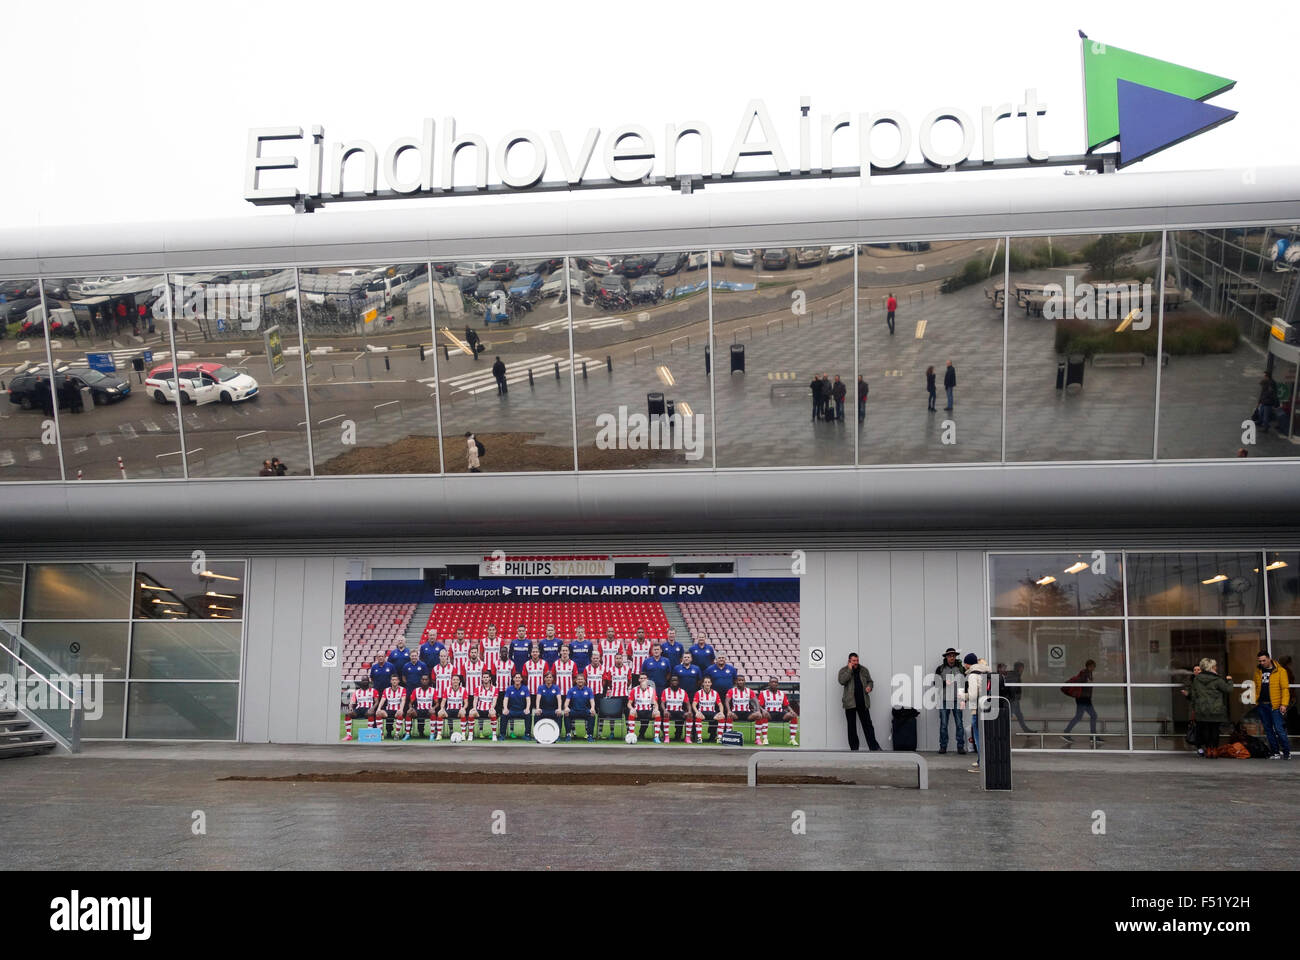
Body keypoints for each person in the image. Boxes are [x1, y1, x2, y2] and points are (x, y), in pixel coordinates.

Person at [1187, 658, 1232, 755]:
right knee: (1215, 730)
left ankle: (1208, 750)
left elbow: (1194, 696)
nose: (1216, 668)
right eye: (1215, 666)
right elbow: (1228, 689)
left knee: (1205, 730)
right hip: (1216, 709)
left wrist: (1195, 708)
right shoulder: (1217, 679)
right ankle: (1214, 750)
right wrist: (1230, 680)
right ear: (1211, 667)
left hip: (1201, 709)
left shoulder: (1196, 679)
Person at [837, 652, 881, 751]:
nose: (856, 662)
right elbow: (841, 681)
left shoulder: (864, 670)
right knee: (851, 728)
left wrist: (870, 686)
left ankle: (874, 747)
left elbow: (870, 681)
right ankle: (854, 749)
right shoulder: (844, 670)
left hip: (863, 702)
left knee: (868, 726)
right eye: (853, 661)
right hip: (850, 703)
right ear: (849, 661)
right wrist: (849, 669)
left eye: (857, 660)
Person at [1252, 650, 1291, 760]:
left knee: (1279, 729)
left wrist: (1284, 704)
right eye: (1260, 661)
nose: (1262, 663)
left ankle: (1287, 752)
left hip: (1275, 705)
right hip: (1262, 705)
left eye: (1264, 660)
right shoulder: (1258, 671)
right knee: (1268, 729)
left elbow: (1285, 689)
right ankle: (1275, 752)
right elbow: (1255, 686)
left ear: (1269, 659)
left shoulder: (1280, 671)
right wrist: (1255, 701)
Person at [961, 654, 991, 770]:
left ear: (968, 664)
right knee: (985, 736)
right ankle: (981, 761)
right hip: (987, 708)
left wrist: (963, 695)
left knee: (978, 737)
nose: (964, 665)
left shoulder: (973, 675)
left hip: (977, 709)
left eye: (965, 663)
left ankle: (982, 763)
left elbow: (973, 695)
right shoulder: (984, 673)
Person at [935, 648, 966, 754]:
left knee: (959, 724)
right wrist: (944, 683)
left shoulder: (961, 668)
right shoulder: (940, 669)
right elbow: (935, 683)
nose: (952, 657)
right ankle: (943, 746)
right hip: (944, 700)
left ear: (955, 657)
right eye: (950, 656)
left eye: (953, 655)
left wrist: (964, 699)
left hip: (958, 699)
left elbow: (965, 684)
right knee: (943, 724)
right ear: (946, 657)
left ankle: (960, 747)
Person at [1061, 659, 1098, 745]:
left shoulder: (1088, 673)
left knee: (1090, 716)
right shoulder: (1084, 673)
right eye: (1093, 666)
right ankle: (1066, 733)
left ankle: (1093, 736)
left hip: (1085, 698)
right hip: (1082, 698)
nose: (1094, 668)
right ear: (1089, 666)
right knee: (1087, 716)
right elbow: (1080, 681)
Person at [758, 677, 798, 746]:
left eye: (775, 682)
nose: (774, 683)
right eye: (772, 682)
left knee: (793, 715)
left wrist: (791, 711)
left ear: (778, 684)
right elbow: (759, 705)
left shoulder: (782, 693)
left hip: (780, 713)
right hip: (769, 714)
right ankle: (765, 738)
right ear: (769, 683)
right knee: (764, 714)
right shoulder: (763, 693)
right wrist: (763, 710)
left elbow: (786, 705)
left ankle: (792, 739)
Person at [601, 651, 632, 740]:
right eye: (617, 658)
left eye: (620, 658)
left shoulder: (627, 669)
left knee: (627, 714)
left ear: (623, 659)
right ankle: (612, 732)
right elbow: (609, 683)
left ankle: (629, 732)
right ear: (614, 659)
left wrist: (624, 688)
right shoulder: (611, 670)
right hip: (614, 696)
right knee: (613, 716)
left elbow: (629, 681)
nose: (618, 660)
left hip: (624, 696)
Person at [724, 674, 762, 741]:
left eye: (742, 680)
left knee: (758, 716)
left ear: (744, 681)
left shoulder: (749, 691)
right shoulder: (731, 690)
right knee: (729, 715)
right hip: (736, 713)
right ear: (736, 681)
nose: (740, 682)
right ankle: (729, 737)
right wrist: (729, 711)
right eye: (739, 680)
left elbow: (756, 701)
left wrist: (758, 710)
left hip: (747, 713)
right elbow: (727, 701)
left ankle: (758, 739)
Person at [563, 672, 597, 741]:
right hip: (574, 711)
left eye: (581, 679)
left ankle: (589, 735)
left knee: (592, 715)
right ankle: (568, 734)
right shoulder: (571, 690)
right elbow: (567, 702)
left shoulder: (589, 690)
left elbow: (592, 701)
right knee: (566, 714)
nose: (580, 681)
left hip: (584, 711)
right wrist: (566, 707)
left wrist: (592, 708)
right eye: (578, 679)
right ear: (576, 681)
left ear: (584, 681)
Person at [629, 674, 662, 742]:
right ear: (639, 680)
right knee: (631, 712)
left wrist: (656, 709)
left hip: (648, 711)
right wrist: (631, 708)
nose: (643, 679)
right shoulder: (634, 690)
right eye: (641, 678)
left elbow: (655, 703)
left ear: (647, 680)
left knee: (657, 713)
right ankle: (631, 735)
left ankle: (656, 737)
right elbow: (629, 703)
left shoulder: (652, 690)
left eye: (645, 678)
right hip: (638, 711)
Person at [1004, 660, 1035, 733]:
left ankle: (1026, 730)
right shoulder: (1015, 675)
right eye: (1022, 668)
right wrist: (1014, 697)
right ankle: (1004, 732)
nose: (1022, 670)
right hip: (1013, 699)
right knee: (1010, 715)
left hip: (1013, 699)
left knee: (1019, 715)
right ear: (1019, 668)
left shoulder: (1014, 675)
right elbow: (1013, 688)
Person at [659, 673, 691, 743]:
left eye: (676, 680)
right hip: (669, 711)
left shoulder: (683, 692)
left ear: (678, 682)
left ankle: (687, 737)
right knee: (665, 715)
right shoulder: (666, 691)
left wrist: (689, 711)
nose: (674, 682)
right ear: (670, 682)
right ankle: (666, 736)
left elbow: (688, 703)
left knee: (689, 715)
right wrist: (664, 710)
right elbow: (662, 703)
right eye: (673, 680)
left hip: (679, 710)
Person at [469, 670, 498, 741]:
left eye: (487, 677)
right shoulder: (478, 688)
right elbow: (475, 699)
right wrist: (474, 708)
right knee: (471, 713)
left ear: (490, 678)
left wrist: (492, 708)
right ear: (482, 679)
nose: (485, 678)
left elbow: (494, 700)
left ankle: (494, 735)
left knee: (493, 713)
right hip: (479, 710)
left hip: (489, 710)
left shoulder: (495, 689)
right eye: (484, 677)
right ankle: (470, 735)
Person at [693, 676, 724, 743]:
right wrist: (697, 712)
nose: (707, 684)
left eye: (708, 682)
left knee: (721, 717)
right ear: (703, 684)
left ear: (711, 684)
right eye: (705, 682)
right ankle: (699, 738)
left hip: (712, 712)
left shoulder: (715, 693)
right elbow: (694, 704)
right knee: (698, 717)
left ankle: (719, 738)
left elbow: (720, 704)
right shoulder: (698, 693)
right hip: (702, 712)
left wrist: (721, 712)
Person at [502, 673, 532, 740]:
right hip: (512, 711)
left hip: (522, 711)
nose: (517, 679)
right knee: (504, 715)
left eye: (519, 677)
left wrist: (527, 708)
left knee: (528, 715)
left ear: (521, 679)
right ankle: (502, 735)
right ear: (513, 679)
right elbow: (505, 699)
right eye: (516, 677)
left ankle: (527, 735)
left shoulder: (525, 688)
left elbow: (528, 700)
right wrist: (505, 708)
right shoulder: (509, 689)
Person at [407, 674, 437, 740]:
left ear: (428, 681)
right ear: (421, 681)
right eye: (423, 680)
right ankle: (407, 734)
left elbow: (437, 703)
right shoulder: (416, 690)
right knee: (409, 713)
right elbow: (410, 702)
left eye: (426, 680)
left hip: (428, 710)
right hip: (419, 710)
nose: (424, 681)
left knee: (433, 713)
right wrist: (410, 708)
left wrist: (433, 708)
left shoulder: (433, 690)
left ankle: (432, 734)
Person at [376, 676, 406, 740]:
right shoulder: (386, 690)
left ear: (398, 681)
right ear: (390, 681)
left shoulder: (403, 689)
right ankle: (381, 734)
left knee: (400, 714)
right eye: (393, 680)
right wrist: (378, 708)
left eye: (396, 680)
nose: (394, 681)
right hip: (389, 710)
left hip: (397, 710)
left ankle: (396, 734)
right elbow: (382, 700)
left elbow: (403, 700)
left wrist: (401, 709)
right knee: (378, 713)